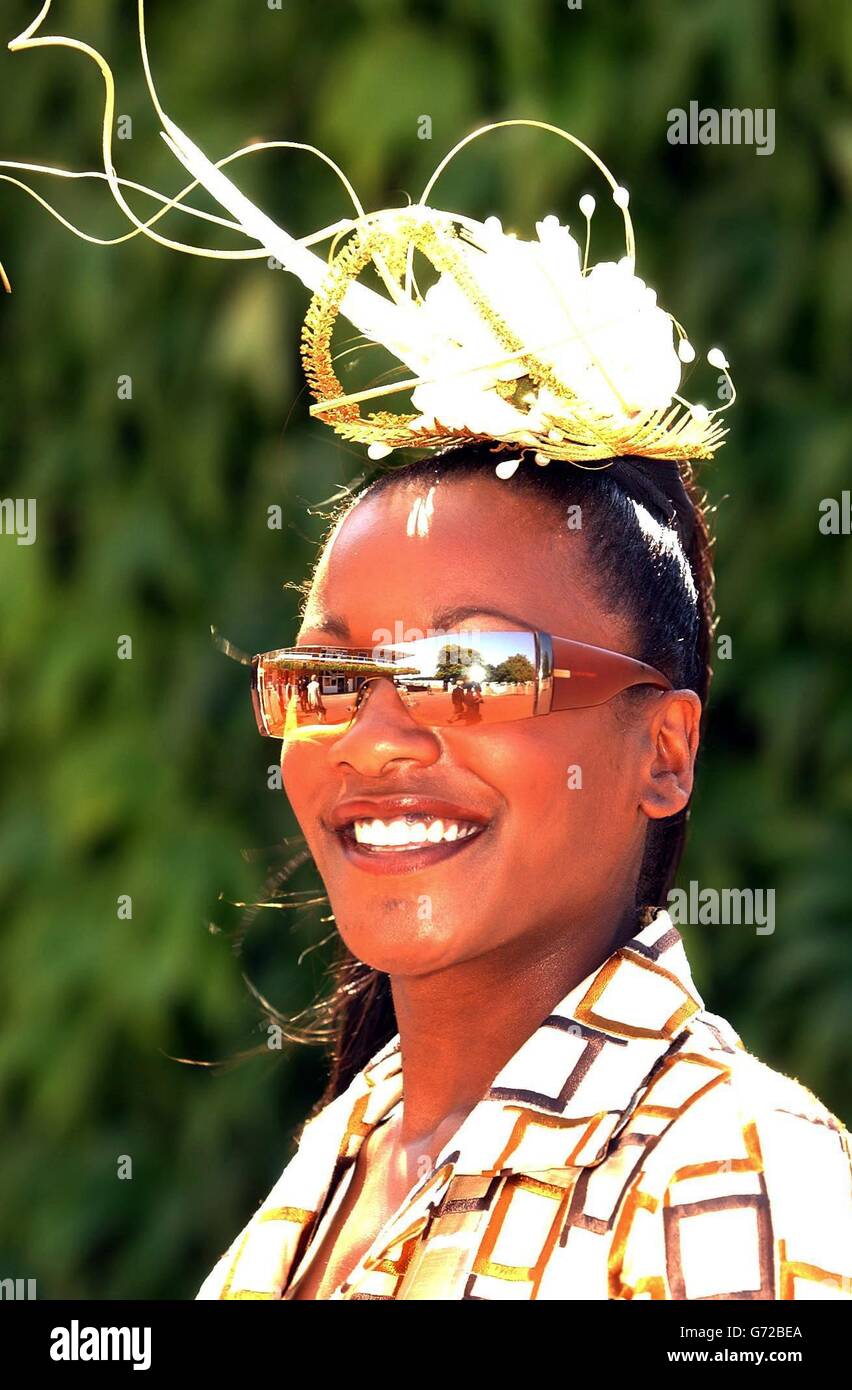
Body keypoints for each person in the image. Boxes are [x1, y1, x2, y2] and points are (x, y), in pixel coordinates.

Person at [3, 13, 848, 1299]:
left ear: (663, 751)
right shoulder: (343, 1160)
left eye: (474, 671)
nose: (375, 738)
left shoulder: (725, 1179)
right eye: (334, 678)